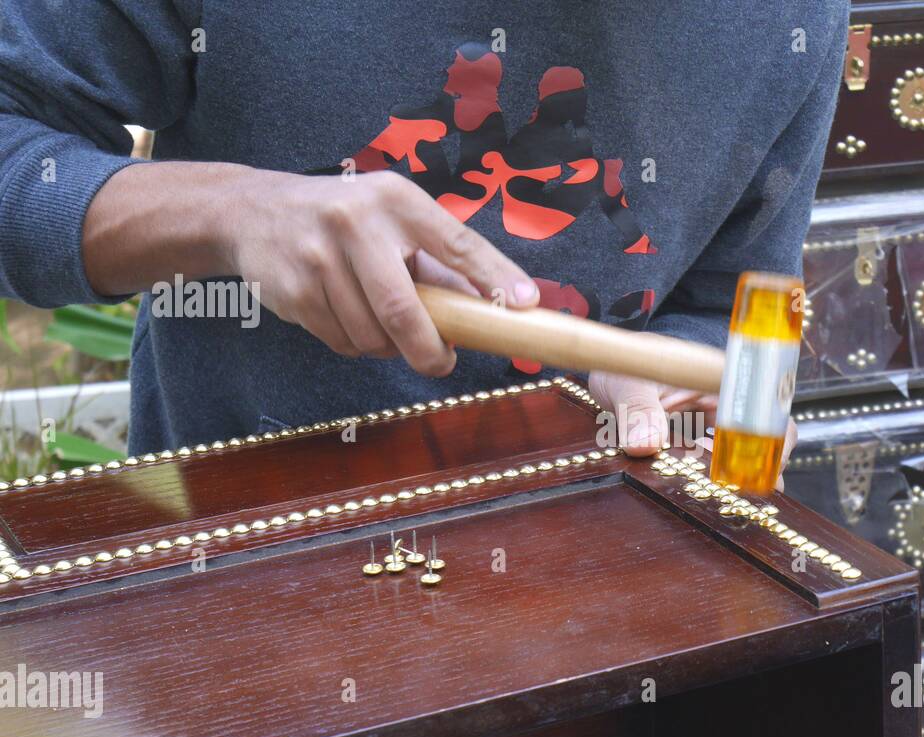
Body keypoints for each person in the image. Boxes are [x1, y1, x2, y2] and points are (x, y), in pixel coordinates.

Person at [0, 2, 845, 458]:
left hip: (591, 590)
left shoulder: (792, 18)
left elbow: (741, 317)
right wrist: (232, 211)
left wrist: (678, 393)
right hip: (241, 570)